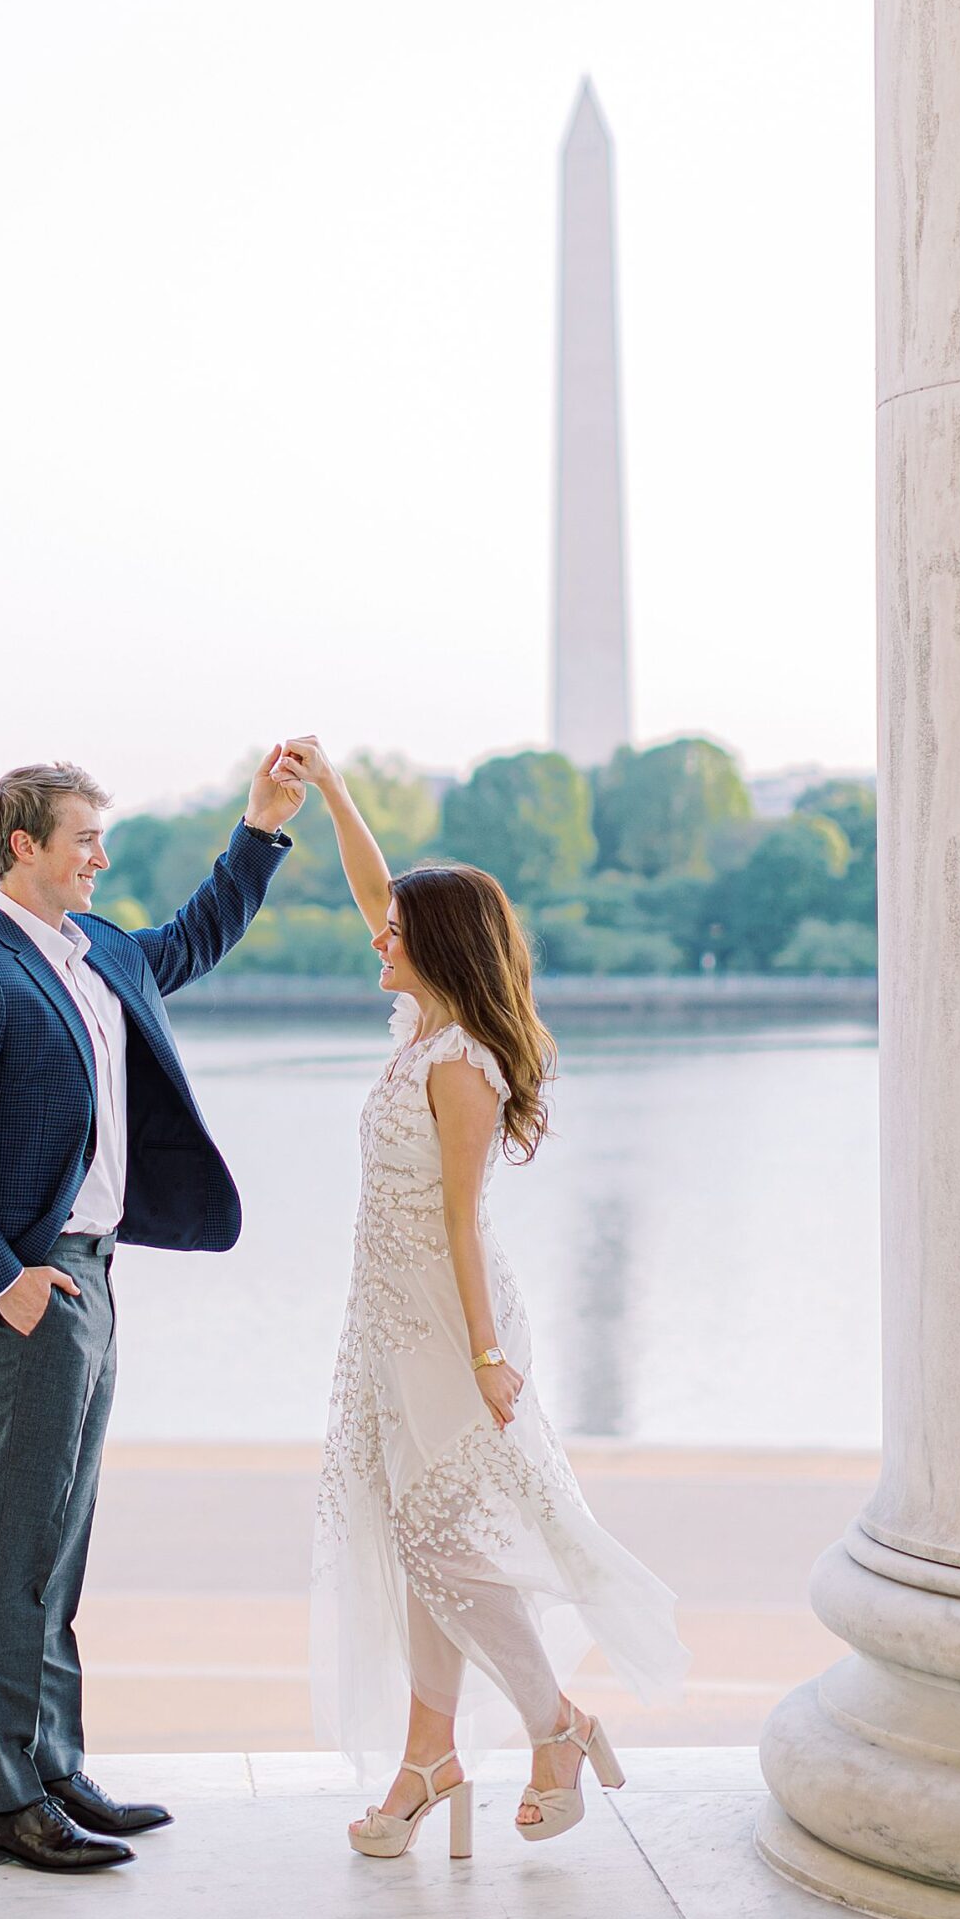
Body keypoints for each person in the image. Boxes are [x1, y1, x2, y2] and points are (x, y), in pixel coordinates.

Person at [0, 752, 305, 1873]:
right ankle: (3, 1803)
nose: (99, 858)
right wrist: (1, 1278)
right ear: (22, 846)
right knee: (9, 1548)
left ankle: (57, 1768)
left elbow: (195, 935)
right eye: (83, 839)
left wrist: (259, 831)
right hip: (31, 1292)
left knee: (60, 1544)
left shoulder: (100, 952)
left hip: (97, 1278)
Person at [280, 736, 689, 1856]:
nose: (377, 934)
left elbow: (463, 1221)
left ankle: (552, 1725)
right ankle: (429, 1758)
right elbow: (376, 886)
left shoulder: (458, 1061)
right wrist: (334, 791)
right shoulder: (417, 1028)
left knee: (444, 1543)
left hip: (453, 1330)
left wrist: (484, 1355)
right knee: (423, 1539)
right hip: (388, 1325)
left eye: (397, 932)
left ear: (435, 950)